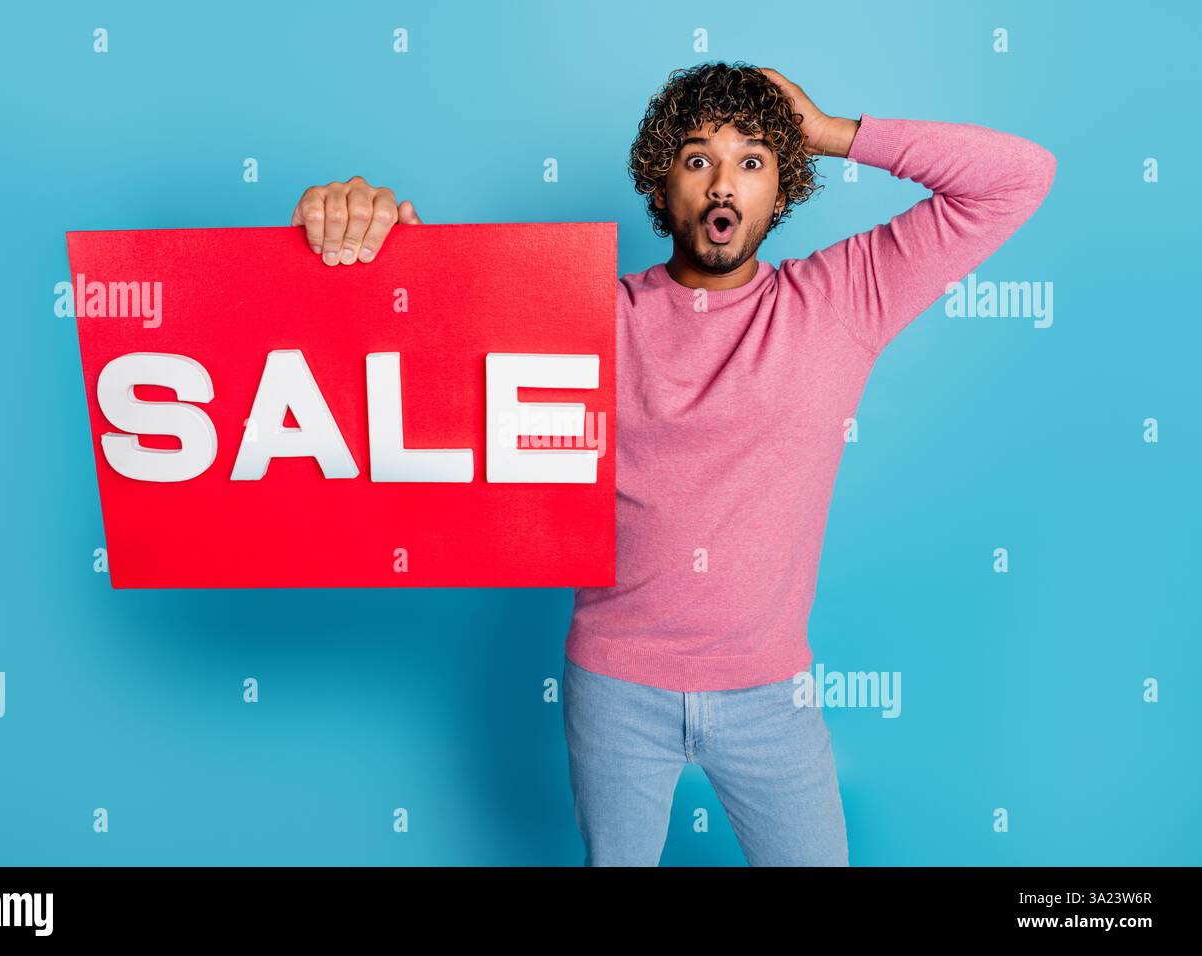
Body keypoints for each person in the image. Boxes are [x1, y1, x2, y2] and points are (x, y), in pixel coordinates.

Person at [289, 61, 1056, 866]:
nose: (723, 183)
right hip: (614, 688)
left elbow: (1018, 178)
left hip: (772, 698)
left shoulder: (842, 302)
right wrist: (369, 237)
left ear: (783, 187)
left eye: (752, 161)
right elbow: (409, 344)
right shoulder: (586, 317)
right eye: (698, 159)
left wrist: (835, 133)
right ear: (663, 184)